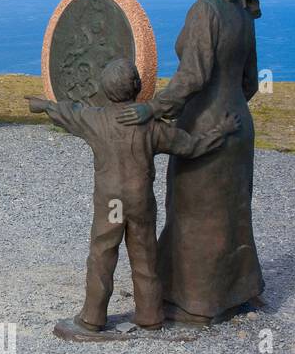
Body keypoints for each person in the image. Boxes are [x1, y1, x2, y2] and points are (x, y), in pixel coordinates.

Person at [116, 0, 265, 323]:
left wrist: (153, 108)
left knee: (194, 214)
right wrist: (229, 107)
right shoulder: (242, 13)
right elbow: (249, 81)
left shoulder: (205, 11)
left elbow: (192, 77)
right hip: (238, 124)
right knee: (232, 213)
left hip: (202, 124)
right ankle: (237, 292)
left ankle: (196, 303)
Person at [28, 58, 238, 331]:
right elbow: (190, 146)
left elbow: (71, 112)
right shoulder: (150, 125)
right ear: (137, 87)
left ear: (104, 89)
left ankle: (92, 318)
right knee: (145, 256)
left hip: (111, 202)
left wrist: (45, 106)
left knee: (102, 255)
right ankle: (150, 316)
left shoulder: (95, 119)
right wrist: (220, 132)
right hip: (139, 200)